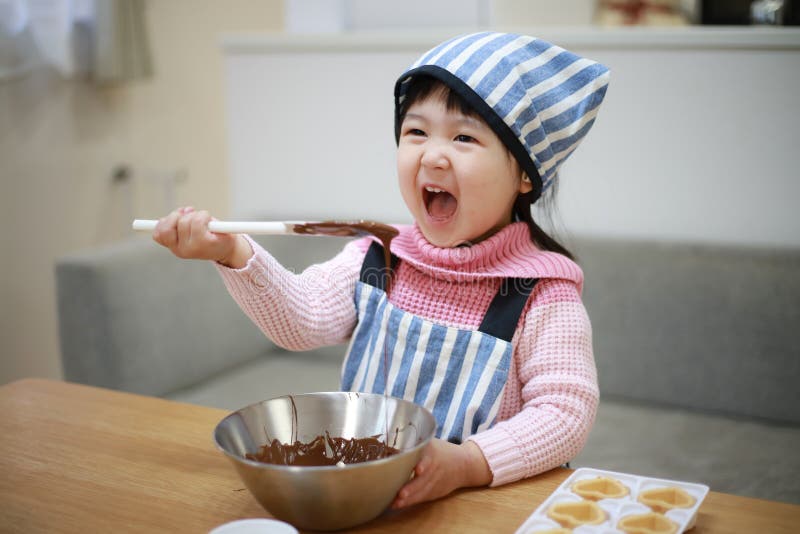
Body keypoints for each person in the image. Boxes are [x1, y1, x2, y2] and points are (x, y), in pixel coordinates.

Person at [153, 32, 610, 509]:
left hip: (478, 503)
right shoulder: (381, 257)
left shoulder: (541, 292)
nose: (432, 155)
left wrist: (467, 463)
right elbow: (302, 320)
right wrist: (231, 252)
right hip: (367, 496)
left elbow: (565, 413)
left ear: (523, 175)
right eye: (416, 132)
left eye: (464, 137)